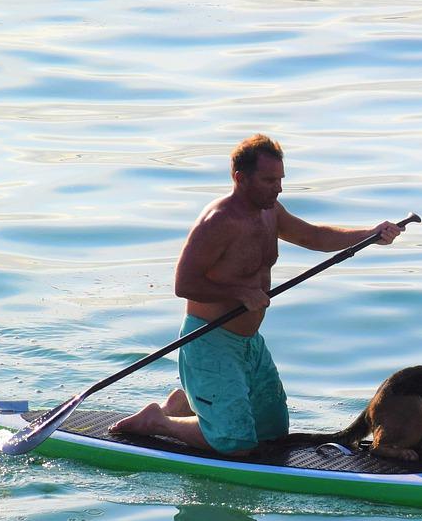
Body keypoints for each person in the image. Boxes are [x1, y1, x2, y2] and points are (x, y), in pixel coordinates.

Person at [111, 133, 403, 456]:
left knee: (273, 435)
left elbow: (314, 236)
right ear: (240, 178)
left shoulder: (270, 210)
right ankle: (158, 420)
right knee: (235, 443)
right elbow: (184, 284)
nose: (278, 188)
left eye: (280, 179)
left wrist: (370, 235)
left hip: (249, 343)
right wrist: (239, 292)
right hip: (209, 341)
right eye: (269, 180)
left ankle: (185, 404)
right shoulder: (218, 221)